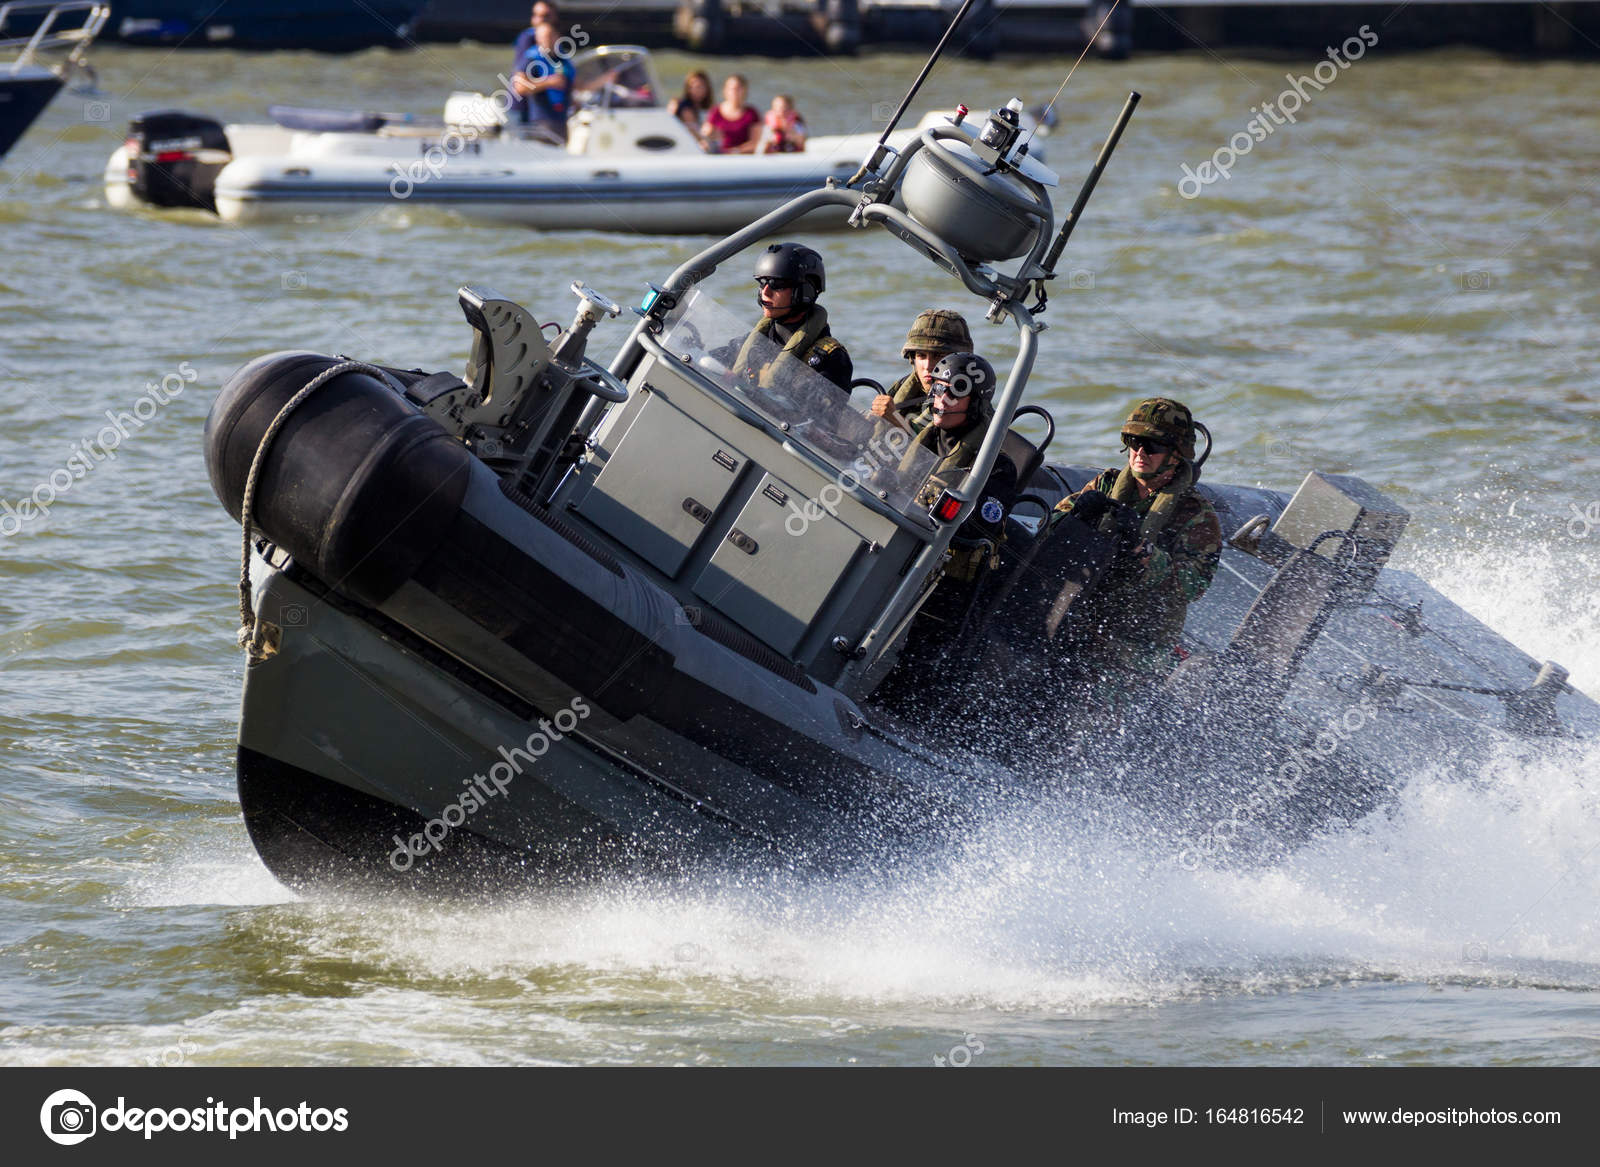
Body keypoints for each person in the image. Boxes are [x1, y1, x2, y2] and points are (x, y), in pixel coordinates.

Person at [873, 353, 1016, 706]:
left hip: (945, 580)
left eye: (953, 393)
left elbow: (979, 524)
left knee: (919, 664)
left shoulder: (995, 465)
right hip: (896, 556)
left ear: (976, 403)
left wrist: (932, 502)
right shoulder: (920, 441)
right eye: (938, 389)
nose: (941, 399)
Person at [1048, 397, 1222, 686]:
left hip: (1138, 649)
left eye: (1152, 446)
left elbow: (1194, 585)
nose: (1140, 452)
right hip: (1079, 622)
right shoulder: (1106, 485)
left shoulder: (1195, 514)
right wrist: (1075, 518)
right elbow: (1049, 531)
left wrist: (1144, 554)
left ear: (1176, 454)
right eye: (1133, 441)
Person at [723, 242, 853, 396]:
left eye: (777, 284)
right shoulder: (750, 342)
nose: (766, 292)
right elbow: (706, 364)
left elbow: (820, 414)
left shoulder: (830, 359)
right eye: (762, 283)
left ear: (805, 290)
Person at [869, 309, 972, 434]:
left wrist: (898, 423)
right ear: (913, 359)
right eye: (921, 356)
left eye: (939, 356)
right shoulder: (901, 392)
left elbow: (944, 449)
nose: (928, 366)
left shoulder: (969, 406)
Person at [510, 20, 575, 141]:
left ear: (557, 37)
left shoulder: (563, 60)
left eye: (550, 36)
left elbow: (575, 84)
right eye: (543, 37)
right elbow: (519, 87)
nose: (547, 40)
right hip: (540, 122)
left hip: (561, 121)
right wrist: (548, 82)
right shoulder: (531, 58)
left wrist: (605, 79)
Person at [702, 75, 760, 154]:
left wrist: (735, 151)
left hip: (743, 158)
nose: (734, 92)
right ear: (725, 90)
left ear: (745, 90)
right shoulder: (716, 111)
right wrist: (710, 135)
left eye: (738, 89)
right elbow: (705, 134)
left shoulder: (751, 113)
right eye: (732, 89)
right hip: (719, 155)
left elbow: (755, 143)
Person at [669, 71, 713, 141]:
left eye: (700, 86)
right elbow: (669, 125)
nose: (695, 88)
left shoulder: (710, 111)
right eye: (692, 85)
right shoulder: (678, 104)